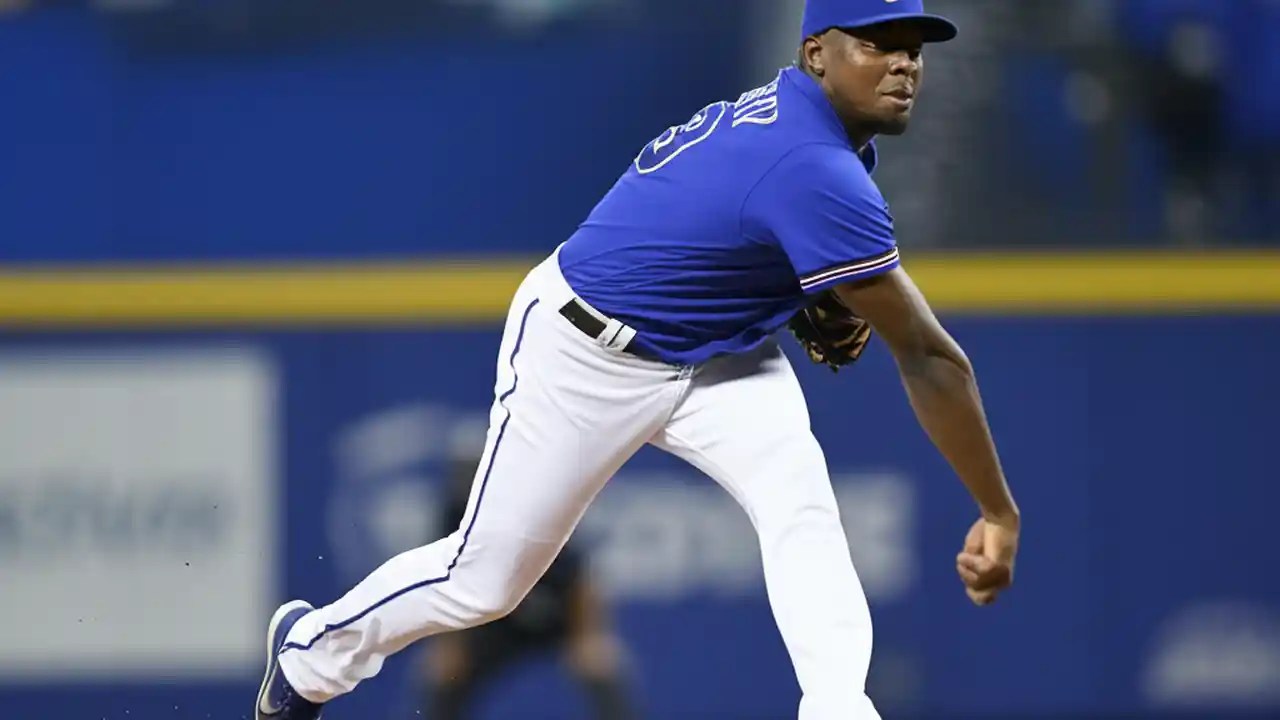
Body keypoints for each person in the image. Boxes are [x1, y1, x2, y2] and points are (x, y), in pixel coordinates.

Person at [256, 1, 1021, 718]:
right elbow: (929, 358)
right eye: (877, 43)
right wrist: (995, 508)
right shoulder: (812, 163)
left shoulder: (818, 131)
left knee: (801, 504)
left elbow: (725, 225)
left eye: (913, 49)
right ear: (817, 54)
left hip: (720, 356)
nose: (904, 64)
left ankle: (838, 708)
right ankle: (309, 654)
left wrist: (795, 294)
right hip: (584, 352)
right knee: (483, 581)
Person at [419, 447, 637, 720]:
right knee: (444, 671)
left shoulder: (537, 510)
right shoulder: (455, 517)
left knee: (600, 662)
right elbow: (445, 585)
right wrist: (449, 643)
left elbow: (580, 579)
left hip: (555, 614)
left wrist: (588, 635)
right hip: (490, 622)